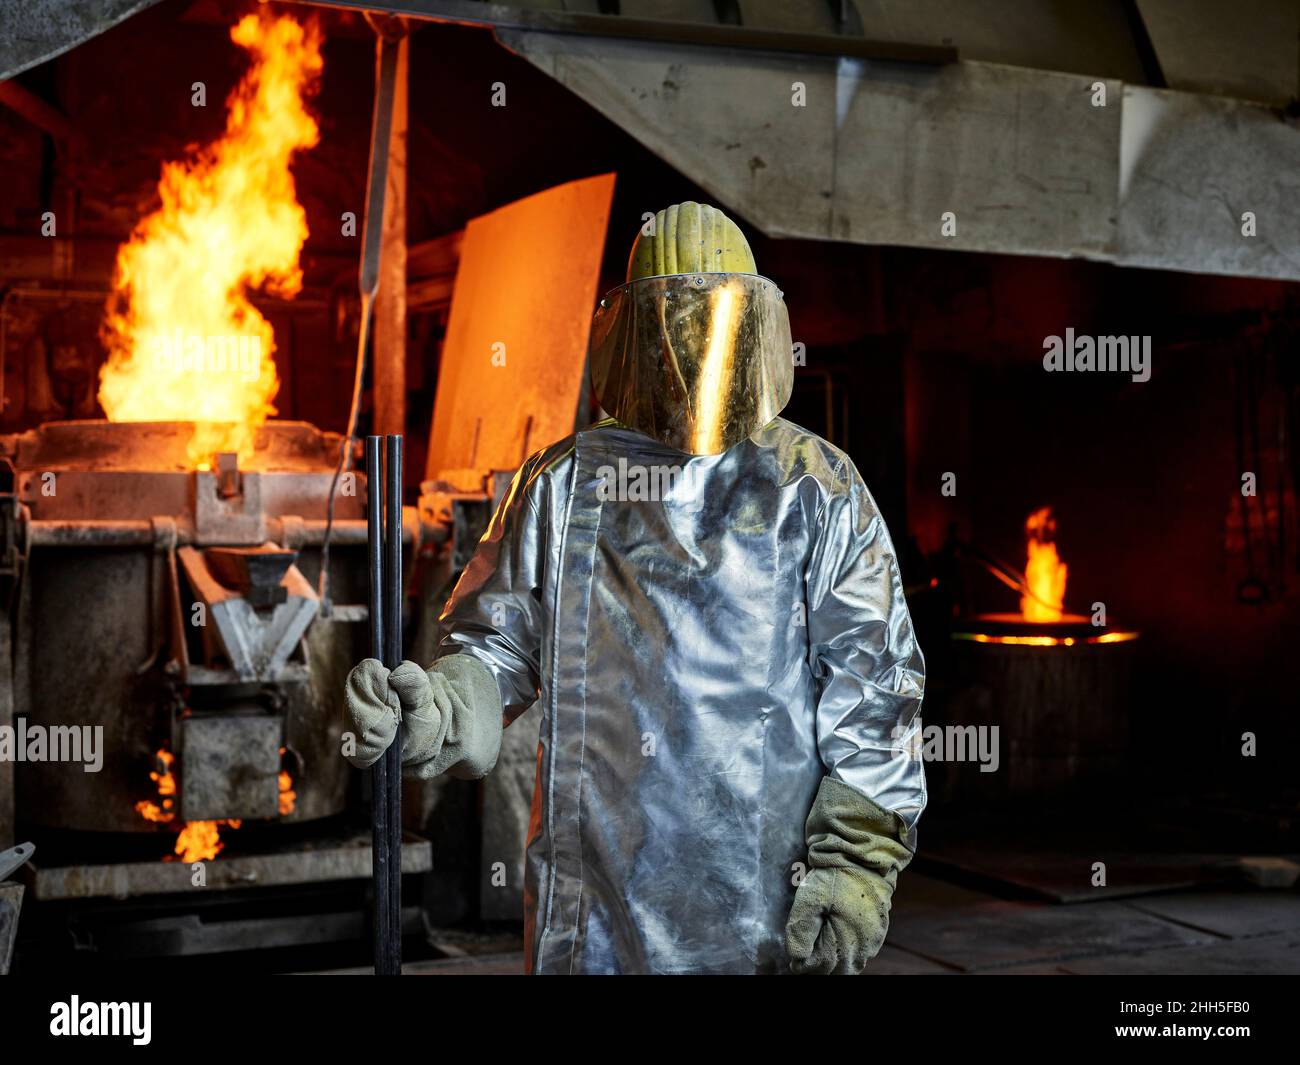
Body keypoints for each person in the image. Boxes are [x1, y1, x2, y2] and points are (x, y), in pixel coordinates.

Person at [344, 201, 926, 974]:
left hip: (765, 909)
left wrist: (853, 867)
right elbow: (496, 648)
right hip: (596, 915)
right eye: (676, 332)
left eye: (712, 329)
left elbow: (875, 691)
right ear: (635, 337)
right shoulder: (563, 485)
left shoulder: (815, 491)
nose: (694, 361)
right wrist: (443, 709)